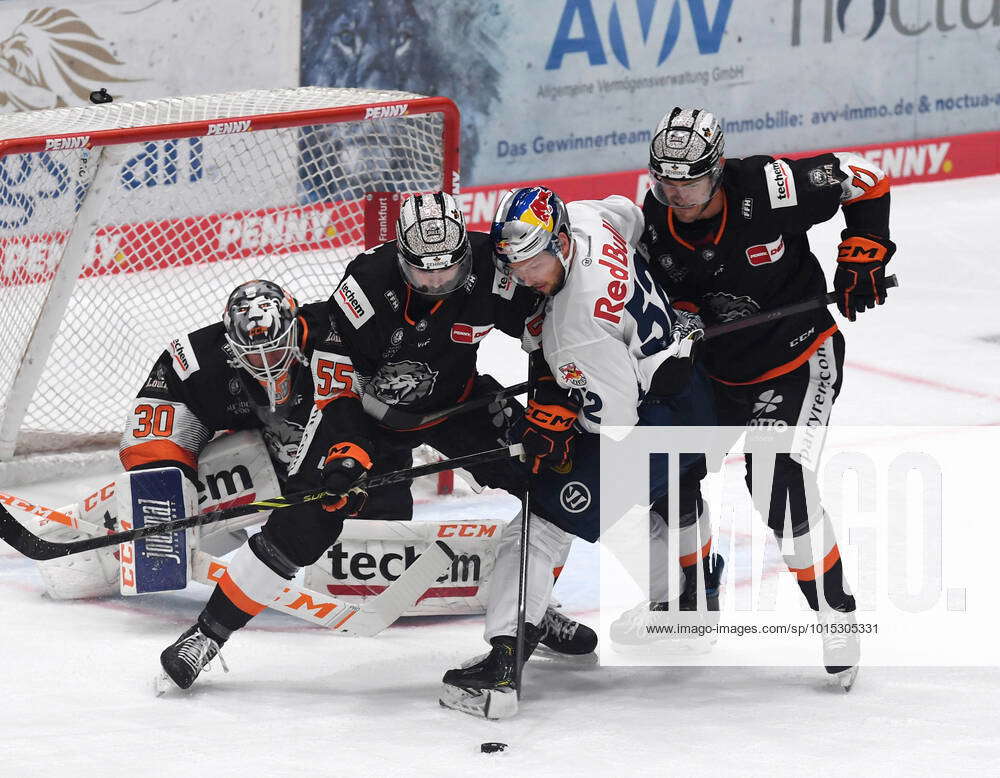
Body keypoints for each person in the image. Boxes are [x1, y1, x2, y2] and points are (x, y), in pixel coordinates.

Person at [638, 106, 896, 688]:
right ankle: (693, 597)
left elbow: (865, 176)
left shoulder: (769, 187)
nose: (678, 193)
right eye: (666, 180)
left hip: (796, 357)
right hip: (718, 370)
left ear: (719, 169)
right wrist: (677, 316)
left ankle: (837, 614)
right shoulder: (655, 218)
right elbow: (659, 286)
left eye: (693, 180)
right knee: (663, 471)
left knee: (777, 479)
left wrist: (865, 248)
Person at [439, 186, 717, 719]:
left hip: (651, 425)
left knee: (540, 521)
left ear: (562, 242)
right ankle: (686, 604)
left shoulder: (575, 334)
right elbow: (633, 219)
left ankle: (500, 670)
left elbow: (613, 423)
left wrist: (565, 416)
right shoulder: (589, 217)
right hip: (692, 390)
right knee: (655, 495)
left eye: (535, 263)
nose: (524, 278)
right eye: (514, 265)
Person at [323, 191, 597, 659]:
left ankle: (531, 607)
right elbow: (333, 375)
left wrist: (550, 403)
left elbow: (548, 334)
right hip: (377, 421)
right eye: (422, 270)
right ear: (401, 257)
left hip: (458, 404)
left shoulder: (493, 268)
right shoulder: (366, 283)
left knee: (550, 479)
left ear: (466, 254)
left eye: (447, 269)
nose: (435, 280)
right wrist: (341, 446)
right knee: (354, 529)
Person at [121, 279, 375, 691]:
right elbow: (156, 425)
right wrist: (165, 487)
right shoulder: (197, 358)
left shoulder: (337, 333)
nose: (267, 363)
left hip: (341, 459)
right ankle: (120, 540)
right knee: (207, 482)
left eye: (275, 350)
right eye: (254, 354)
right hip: (265, 470)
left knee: (386, 514)